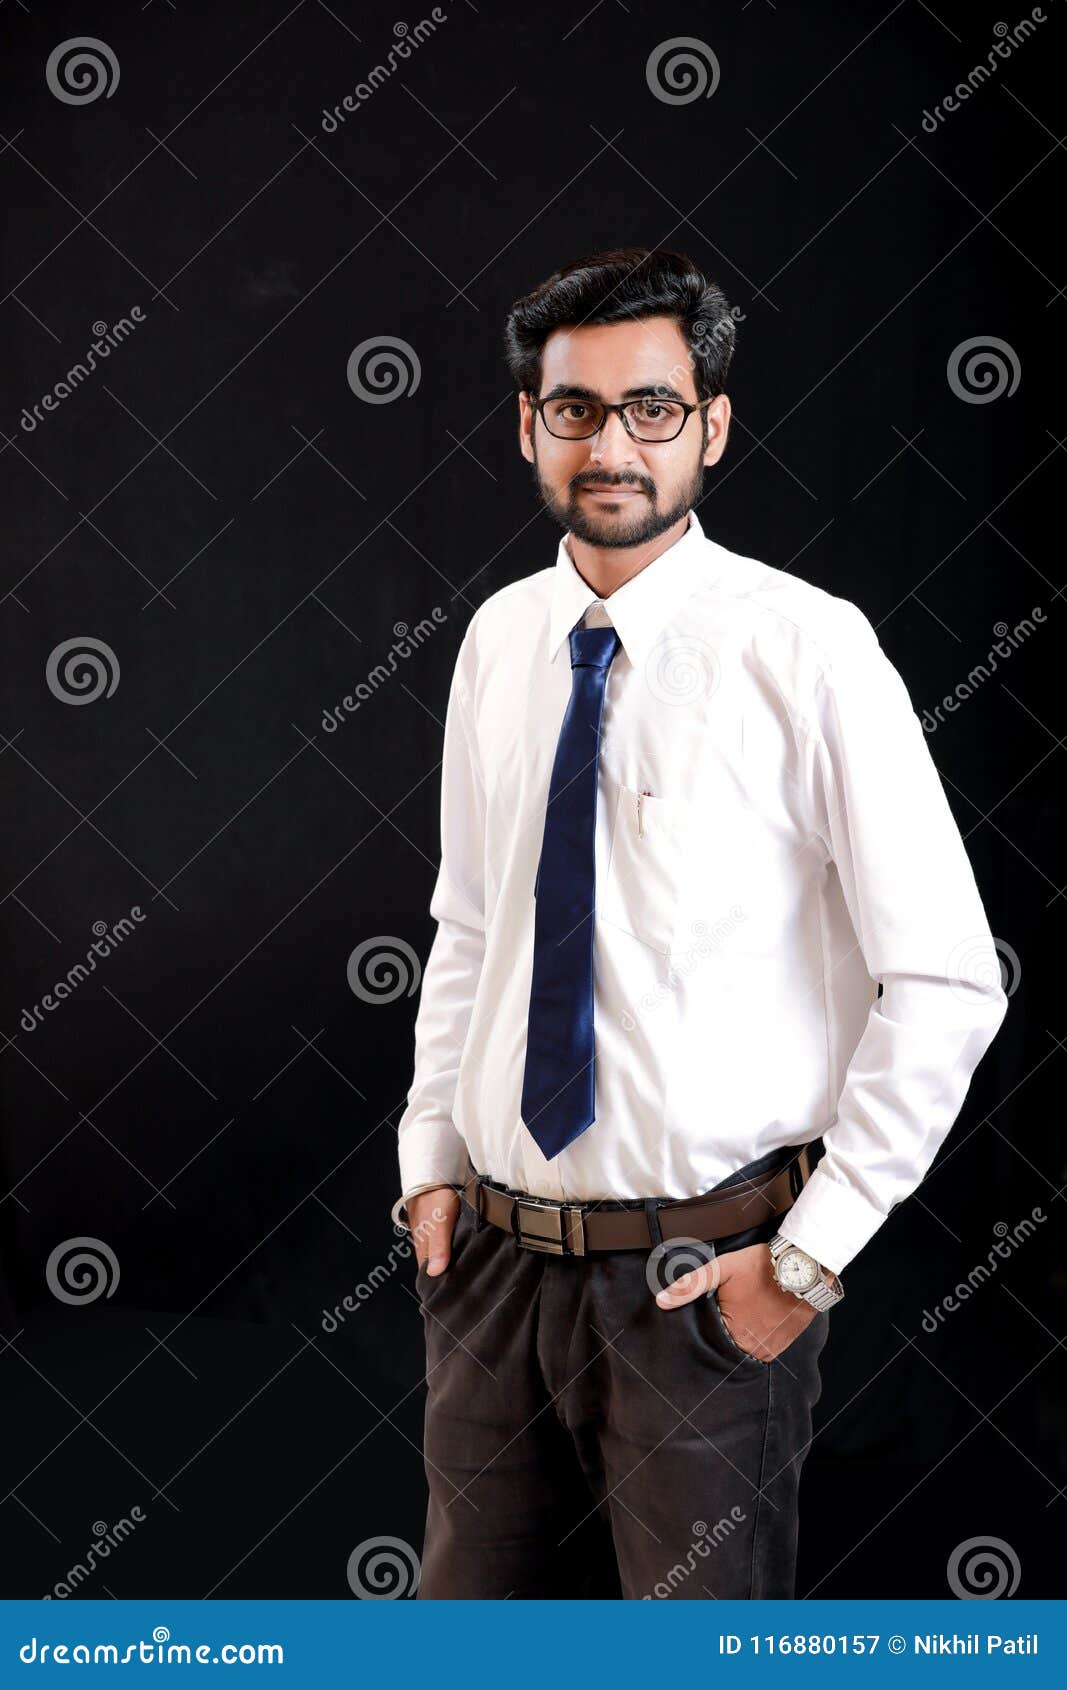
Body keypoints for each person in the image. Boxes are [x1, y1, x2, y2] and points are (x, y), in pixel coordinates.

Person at [390, 247, 1008, 1599]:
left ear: (712, 423)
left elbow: (951, 978)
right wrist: (430, 1161)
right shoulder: (497, 640)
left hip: (700, 1296)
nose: (613, 443)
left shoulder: (809, 648)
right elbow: (475, 926)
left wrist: (807, 1256)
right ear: (528, 426)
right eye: (577, 408)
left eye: (653, 408)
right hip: (489, 1275)